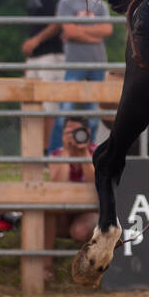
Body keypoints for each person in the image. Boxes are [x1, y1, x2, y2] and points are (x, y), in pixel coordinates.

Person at [19, 0, 69, 153]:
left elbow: (59, 20)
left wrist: (36, 40)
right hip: (36, 56)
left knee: (49, 106)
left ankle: (48, 151)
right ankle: (34, 150)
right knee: (30, 103)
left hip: (51, 53)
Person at [57, 0, 113, 141]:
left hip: (98, 63)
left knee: (94, 114)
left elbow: (107, 29)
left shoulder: (100, 4)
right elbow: (68, 30)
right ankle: (58, 152)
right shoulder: (66, 2)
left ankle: (90, 153)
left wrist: (79, 32)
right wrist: (95, 34)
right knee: (64, 111)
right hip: (74, 64)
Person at [45, 116, 100, 279]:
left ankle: (86, 270)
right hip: (64, 211)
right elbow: (57, 185)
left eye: (78, 132)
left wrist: (83, 154)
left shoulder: (98, 152)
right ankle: (45, 267)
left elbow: (96, 184)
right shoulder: (58, 155)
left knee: (80, 231)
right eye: (69, 133)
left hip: (90, 210)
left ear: (88, 133)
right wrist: (67, 153)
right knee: (46, 215)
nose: (74, 136)